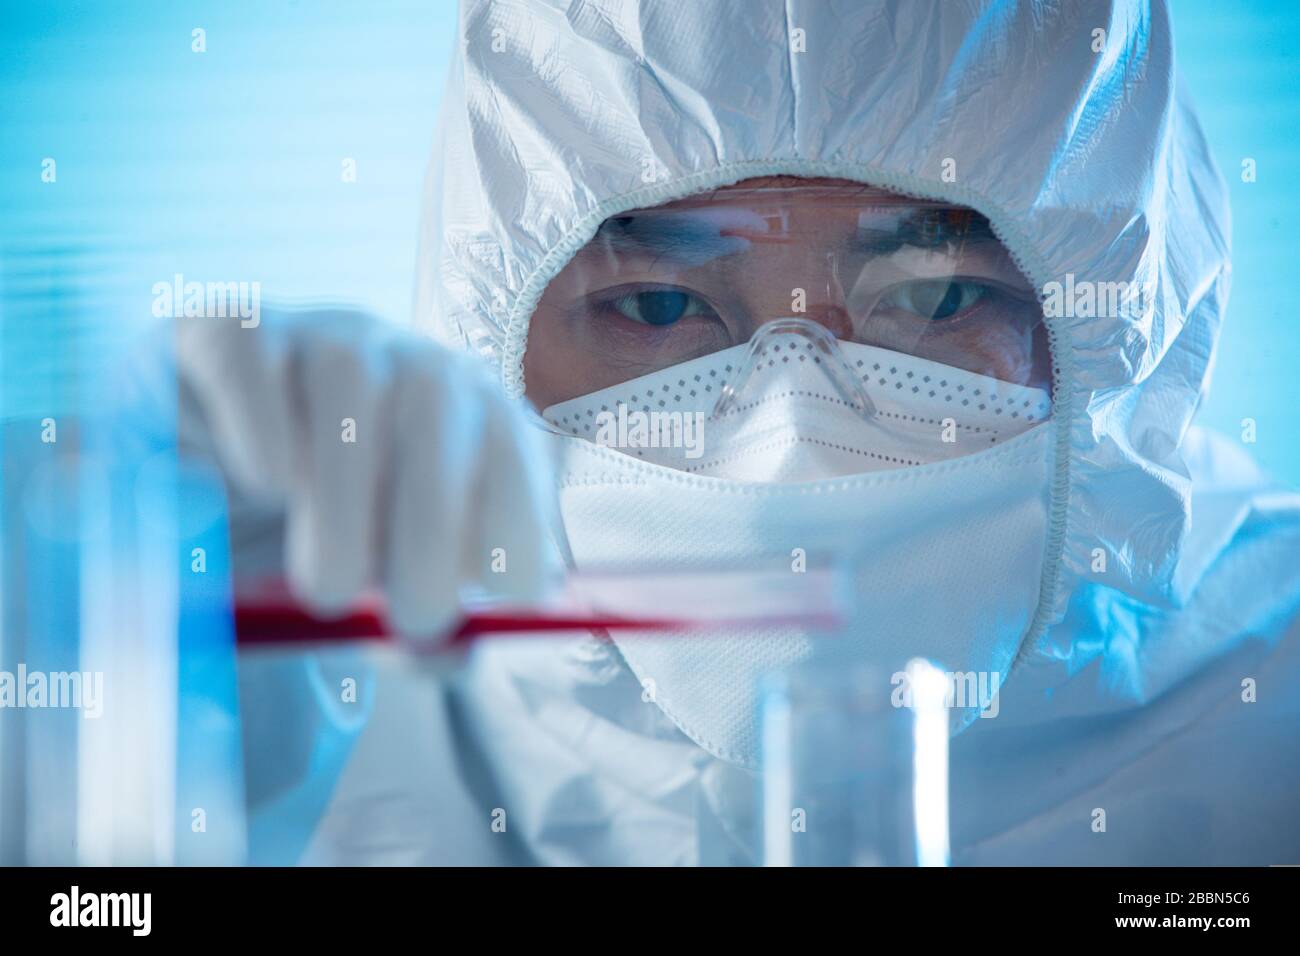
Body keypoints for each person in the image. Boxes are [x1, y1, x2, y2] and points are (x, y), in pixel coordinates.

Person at [177, 0, 1300, 865]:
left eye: (939, 297)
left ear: (1119, 327)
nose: (789, 439)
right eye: (660, 308)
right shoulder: (348, 685)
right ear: (493, 337)